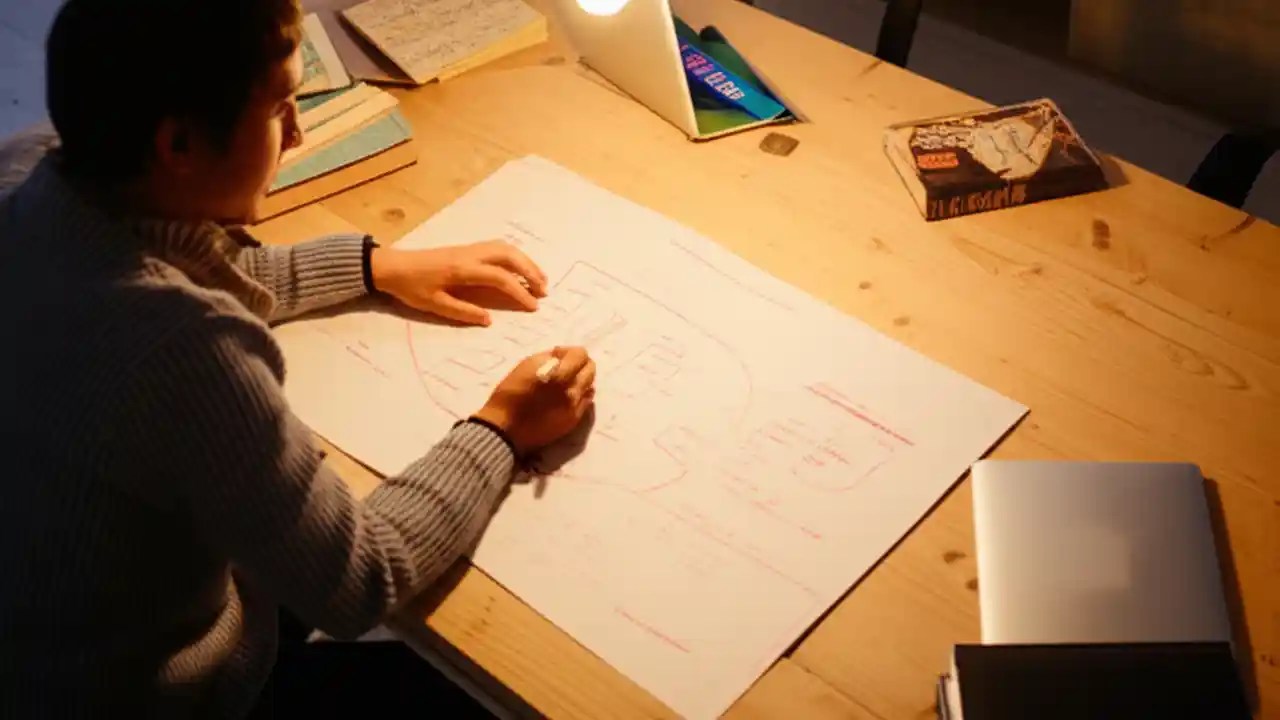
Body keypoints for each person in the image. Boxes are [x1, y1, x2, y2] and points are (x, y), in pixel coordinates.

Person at [0, 0, 596, 716]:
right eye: (281, 106)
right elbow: (360, 581)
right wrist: (501, 428)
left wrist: (376, 264)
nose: (297, 132)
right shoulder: (182, 349)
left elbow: (182, 266)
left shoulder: (34, 172)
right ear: (179, 145)